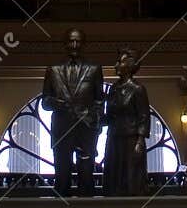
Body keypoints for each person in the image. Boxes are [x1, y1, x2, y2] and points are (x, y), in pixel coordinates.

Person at [41, 27, 103, 195]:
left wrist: (96, 125)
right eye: (71, 41)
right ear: (64, 44)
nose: (74, 45)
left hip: (86, 128)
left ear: (84, 44)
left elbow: (99, 100)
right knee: (62, 174)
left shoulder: (94, 69)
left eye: (78, 41)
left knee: (86, 175)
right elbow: (45, 102)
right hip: (62, 127)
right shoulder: (53, 69)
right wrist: (56, 103)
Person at [102, 49, 151, 194]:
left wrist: (140, 141)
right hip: (114, 137)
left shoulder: (138, 89)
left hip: (131, 139)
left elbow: (144, 116)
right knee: (114, 174)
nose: (116, 65)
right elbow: (109, 115)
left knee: (131, 177)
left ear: (129, 66)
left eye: (120, 62)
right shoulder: (114, 88)